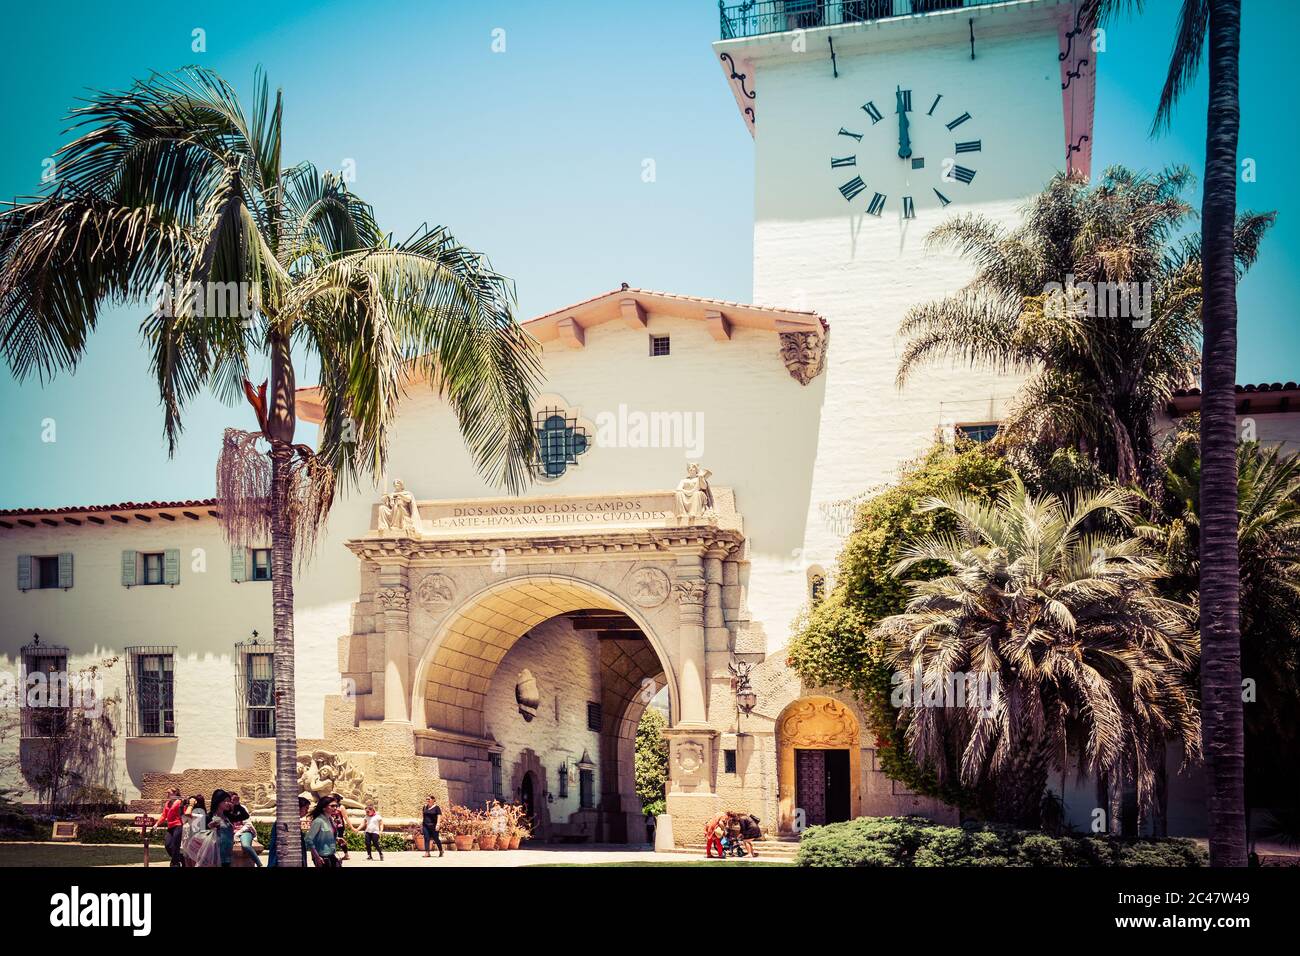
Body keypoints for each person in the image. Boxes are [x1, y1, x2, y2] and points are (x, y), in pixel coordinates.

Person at [268, 796, 311, 868]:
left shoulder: (292, 821)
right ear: (298, 807)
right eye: (306, 808)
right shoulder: (286, 821)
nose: (307, 811)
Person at [153, 787, 185, 867]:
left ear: (174, 793)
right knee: (168, 845)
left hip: (178, 825)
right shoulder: (167, 803)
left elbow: (184, 813)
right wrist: (157, 823)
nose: (167, 794)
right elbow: (164, 815)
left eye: (168, 792)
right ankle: (181, 858)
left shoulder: (179, 802)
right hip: (170, 827)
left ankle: (175, 864)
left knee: (175, 845)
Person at [227, 791, 261, 867]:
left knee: (245, 845)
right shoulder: (227, 810)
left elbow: (248, 824)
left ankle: (259, 864)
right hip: (231, 832)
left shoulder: (242, 808)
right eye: (232, 799)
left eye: (236, 799)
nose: (234, 801)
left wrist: (237, 834)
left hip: (244, 831)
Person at [306, 798, 340, 868]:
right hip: (322, 857)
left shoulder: (330, 819)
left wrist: (337, 838)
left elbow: (325, 835)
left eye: (336, 805)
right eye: (332, 806)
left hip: (331, 854)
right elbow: (308, 839)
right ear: (324, 808)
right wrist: (317, 857)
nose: (335, 808)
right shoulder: (318, 821)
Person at [207, 789, 235, 867]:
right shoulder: (209, 817)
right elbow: (199, 835)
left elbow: (244, 815)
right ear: (218, 801)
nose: (228, 803)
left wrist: (237, 805)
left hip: (228, 855)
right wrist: (209, 827)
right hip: (215, 856)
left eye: (229, 801)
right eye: (226, 801)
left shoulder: (228, 816)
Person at [328, 795, 356, 861]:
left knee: (340, 840)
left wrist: (352, 827)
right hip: (331, 825)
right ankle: (331, 854)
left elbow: (346, 818)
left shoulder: (341, 807)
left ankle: (346, 854)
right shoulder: (329, 806)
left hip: (339, 826)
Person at [181, 794, 206, 866]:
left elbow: (187, 813)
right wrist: (182, 804)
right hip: (187, 844)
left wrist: (191, 804)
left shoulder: (199, 815)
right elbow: (182, 815)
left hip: (195, 845)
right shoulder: (192, 815)